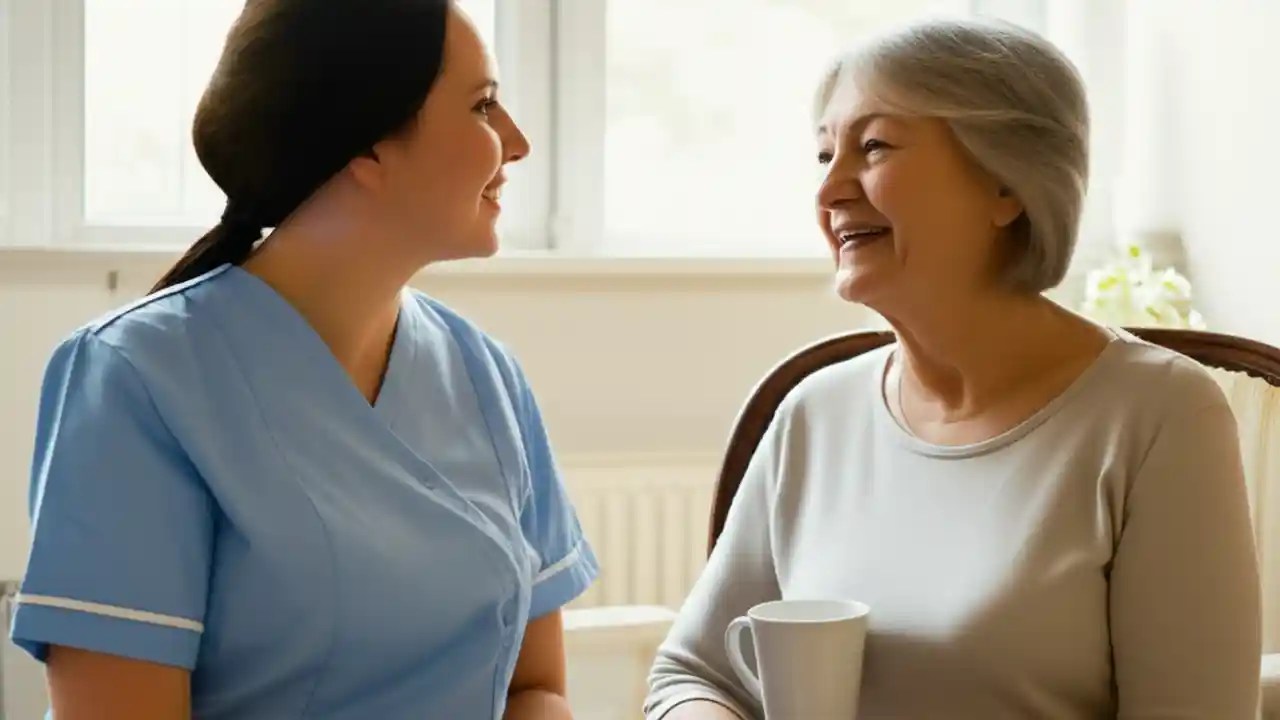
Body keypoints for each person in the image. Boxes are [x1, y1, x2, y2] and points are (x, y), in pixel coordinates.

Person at [645, 17, 1261, 720]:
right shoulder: (815, 414)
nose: (830, 191)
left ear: (1008, 185)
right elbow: (692, 674)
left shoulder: (1159, 414)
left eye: (873, 147)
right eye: (824, 156)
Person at [9, 2, 598, 718]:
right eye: (482, 106)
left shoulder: (487, 376)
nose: (517, 142)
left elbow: (536, 689)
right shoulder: (136, 380)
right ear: (368, 143)